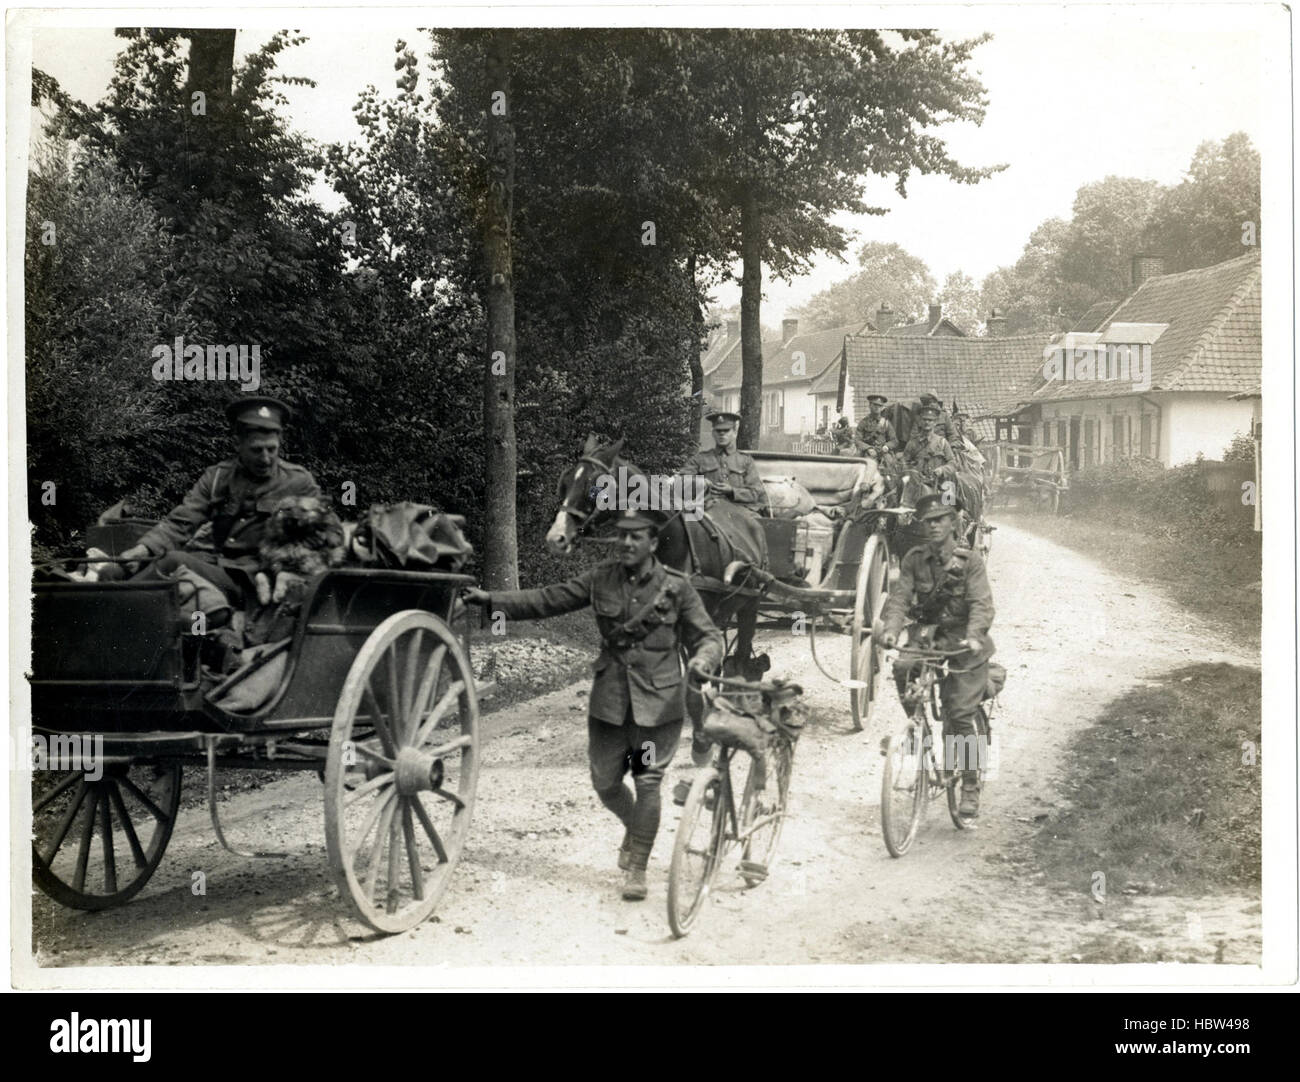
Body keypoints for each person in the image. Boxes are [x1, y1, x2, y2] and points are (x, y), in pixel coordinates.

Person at [462, 508, 724, 901]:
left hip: (658, 703)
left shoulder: (678, 587)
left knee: (647, 779)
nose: (626, 543)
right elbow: (549, 600)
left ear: (653, 543)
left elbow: (710, 637)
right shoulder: (601, 578)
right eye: (622, 535)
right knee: (605, 782)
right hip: (611, 700)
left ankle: (637, 867)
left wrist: (703, 661)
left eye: (636, 537)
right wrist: (492, 600)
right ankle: (634, 828)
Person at [115, 396, 322, 604]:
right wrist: (142, 551)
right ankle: (110, 591)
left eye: (272, 449)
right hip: (217, 567)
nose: (266, 458)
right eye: (257, 450)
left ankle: (114, 607)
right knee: (117, 570)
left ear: (280, 443)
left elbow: (322, 532)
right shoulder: (217, 477)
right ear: (238, 444)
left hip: (255, 580)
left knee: (173, 562)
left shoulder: (298, 482)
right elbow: (181, 522)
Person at [878, 493, 996, 818]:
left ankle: (970, 785)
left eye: (939, 520)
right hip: (929, 636)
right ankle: (918, 729)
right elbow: (900, 598)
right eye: (927, 522)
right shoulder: (915, 559)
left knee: (959, 714)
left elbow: (981, 604)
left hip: (962, 640)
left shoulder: (969, 561)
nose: (932, 527)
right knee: (903, 667)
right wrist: (891, 630)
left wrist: (974, 637)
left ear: (953, 523)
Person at [679, 411, 767, 510]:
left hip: (741, 512)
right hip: (708, 511)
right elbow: (681, 482)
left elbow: (756, 493)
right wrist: (700, 483)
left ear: (734, 432)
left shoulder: (746, 461)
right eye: (718, 431)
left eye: (726, 430)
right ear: (713, 433)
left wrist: (732, 491)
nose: (722, 434)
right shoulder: (700, 459)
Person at [901, 404, 957, 484]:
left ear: (935, 422)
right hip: (918, 484)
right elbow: (904, 463)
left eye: (930, 420)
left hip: (938, 484)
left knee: (949, 495)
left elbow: (953, 464)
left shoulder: (942, 442)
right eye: (924, 419)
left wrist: (942, 470)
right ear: (920, 422)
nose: (927, 422)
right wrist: (911, 473)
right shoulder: (912, 443)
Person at [854, 394, 899, 459]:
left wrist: (886, 446)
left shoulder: (886, 423)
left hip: (883, 452)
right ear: (870, 405)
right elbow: (857, 440)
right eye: (875, 405)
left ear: (882, 407)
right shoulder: (863, 422)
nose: (877, 407)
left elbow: (894, 441)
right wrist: (868, 448)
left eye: (880, 405)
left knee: (890, 462)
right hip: (868, 452)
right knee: (865, 463)